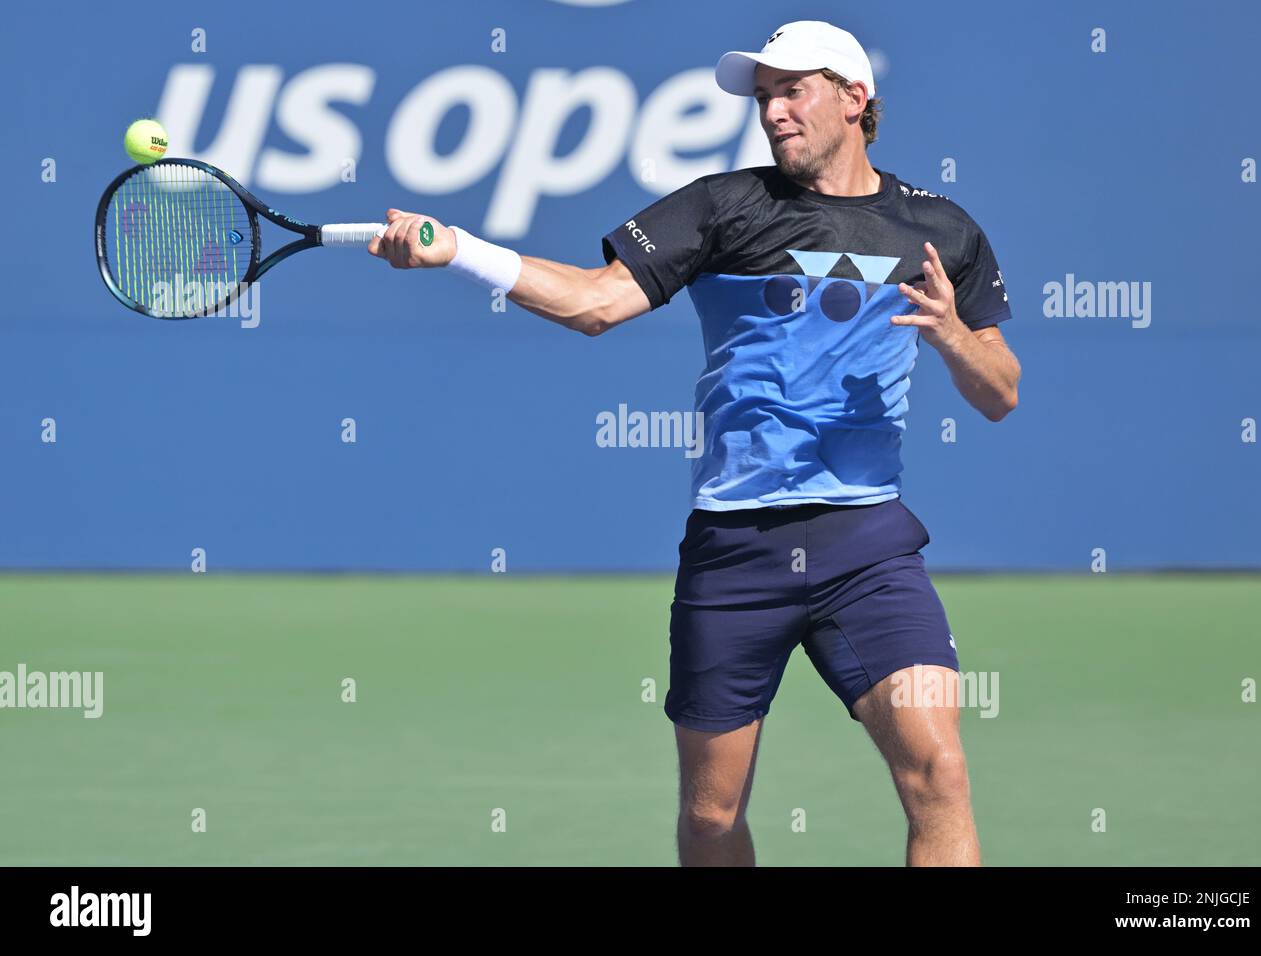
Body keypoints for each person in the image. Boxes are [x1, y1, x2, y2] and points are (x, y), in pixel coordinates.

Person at [368, 19, 1020, 867]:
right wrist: (462, 252)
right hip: (735, 551)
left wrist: (950, 336)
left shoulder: (938, 229)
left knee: (938, 771)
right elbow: (596, 303)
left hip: (868, 547)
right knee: (712, 817)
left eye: (793, 90)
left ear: (855, 100)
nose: (773, 112)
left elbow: (999, 392)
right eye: (763, 97)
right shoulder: (722, 207)